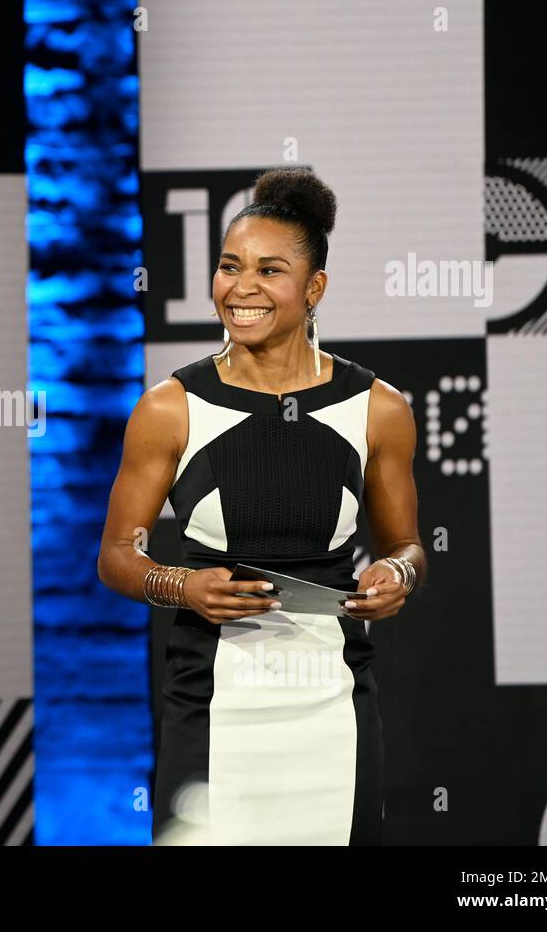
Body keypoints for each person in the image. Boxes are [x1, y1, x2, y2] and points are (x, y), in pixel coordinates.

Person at [97, 167, 426, 845]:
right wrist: (181, 584)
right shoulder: (168, 408)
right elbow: (115, 556)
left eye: (268, 270)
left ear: (314, 290)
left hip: (332, 706)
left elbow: (407, 546)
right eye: (227, 267)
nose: (240, 288)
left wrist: (398, 577)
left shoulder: (380, 409)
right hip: (212, 703)